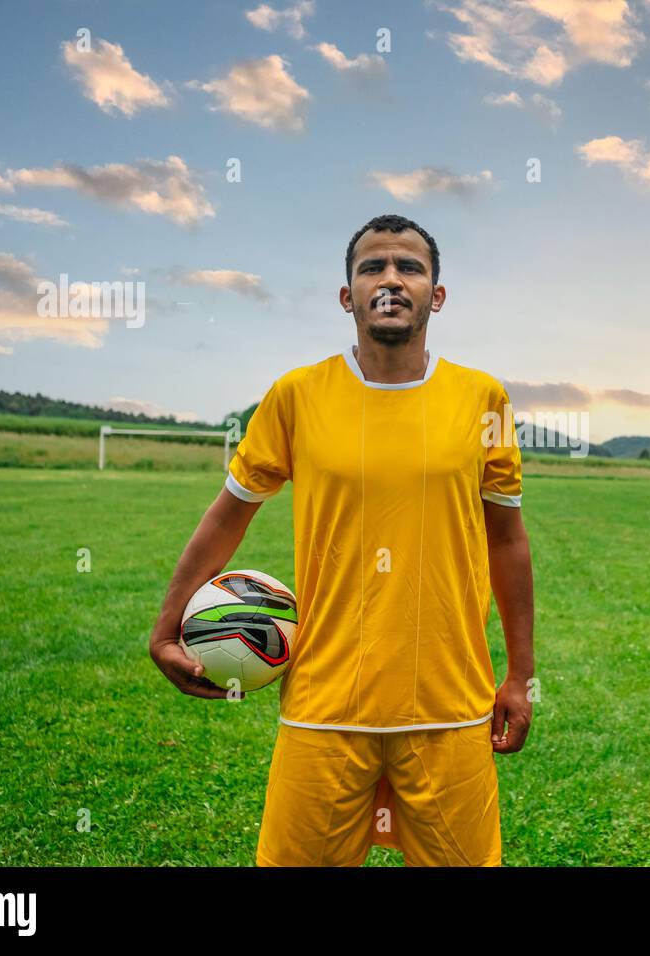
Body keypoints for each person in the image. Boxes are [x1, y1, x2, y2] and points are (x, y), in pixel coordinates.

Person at [149, 214, 535, 866]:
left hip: (450, 708)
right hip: (323, 708)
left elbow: (508, 540)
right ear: (346, 295)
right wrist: (165, 629)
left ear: (436, 295)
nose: (391, 279)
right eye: (372, 267)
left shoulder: (483, 399)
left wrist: (520, 675)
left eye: (409, 267)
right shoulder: (297, 396)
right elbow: (228, 516)